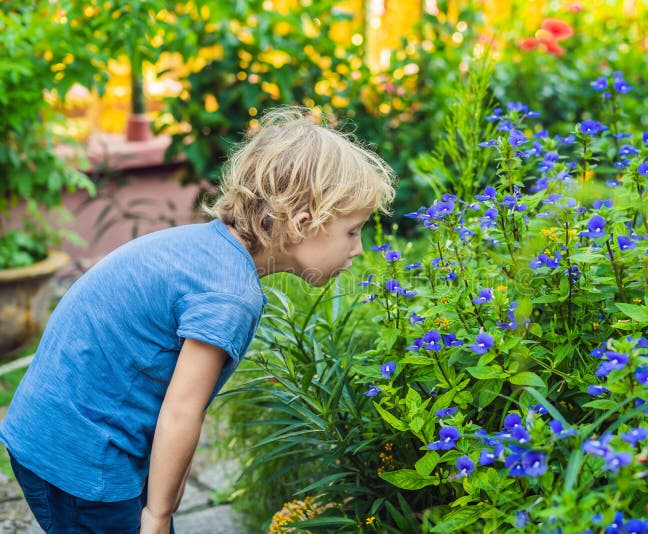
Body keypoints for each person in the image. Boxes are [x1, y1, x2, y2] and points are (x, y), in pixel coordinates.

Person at [0, 107, 395, 533]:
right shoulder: (229, 293)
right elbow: (182, 411)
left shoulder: (202, 248)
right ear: (302, 224)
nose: (356, 250)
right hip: (85, 460)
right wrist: (158, 514)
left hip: (50, 430)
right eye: (353, 231)